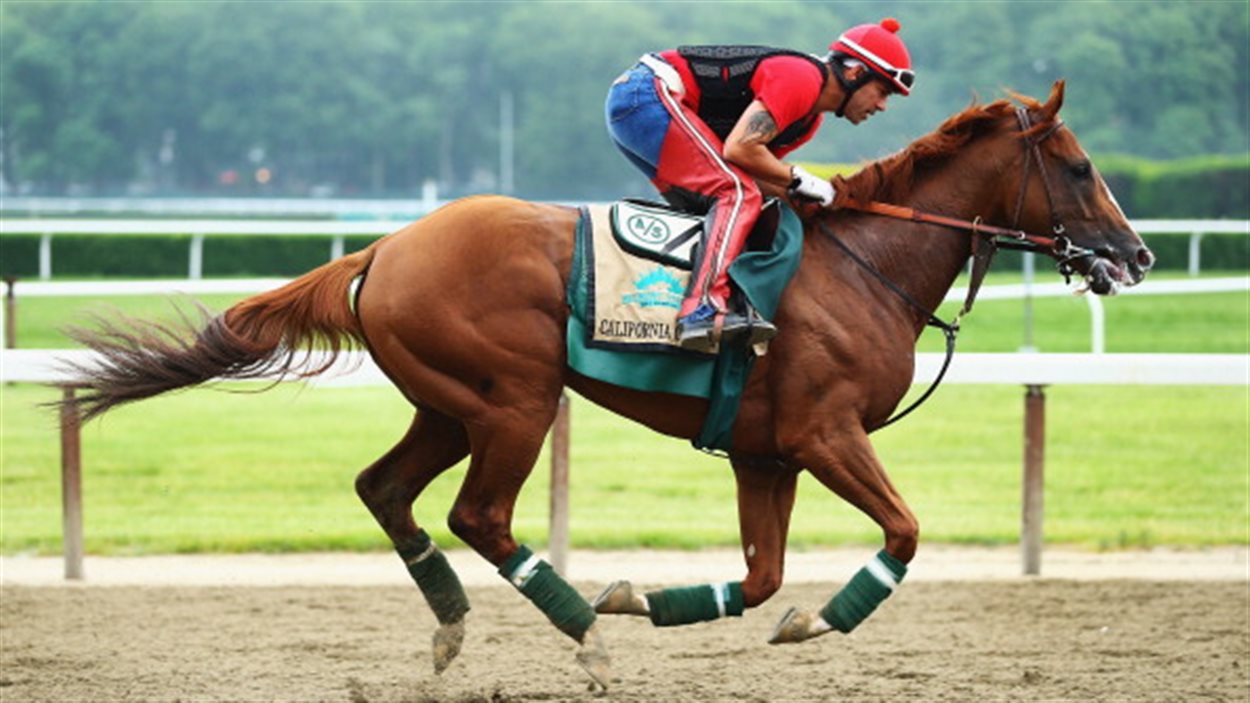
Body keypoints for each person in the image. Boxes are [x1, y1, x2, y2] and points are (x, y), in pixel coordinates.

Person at [605, 18, 915, 352]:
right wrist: (803, 179)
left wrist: (810, 199)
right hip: (645, 95)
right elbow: (740, 149)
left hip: (640, 104)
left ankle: (663, 310)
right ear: (855, 73)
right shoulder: (802, 78)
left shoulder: (809, 121)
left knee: (722, 205)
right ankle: (703, 310)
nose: (882, 105)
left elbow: (753, 171)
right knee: (734, 194)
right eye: (882, 91)